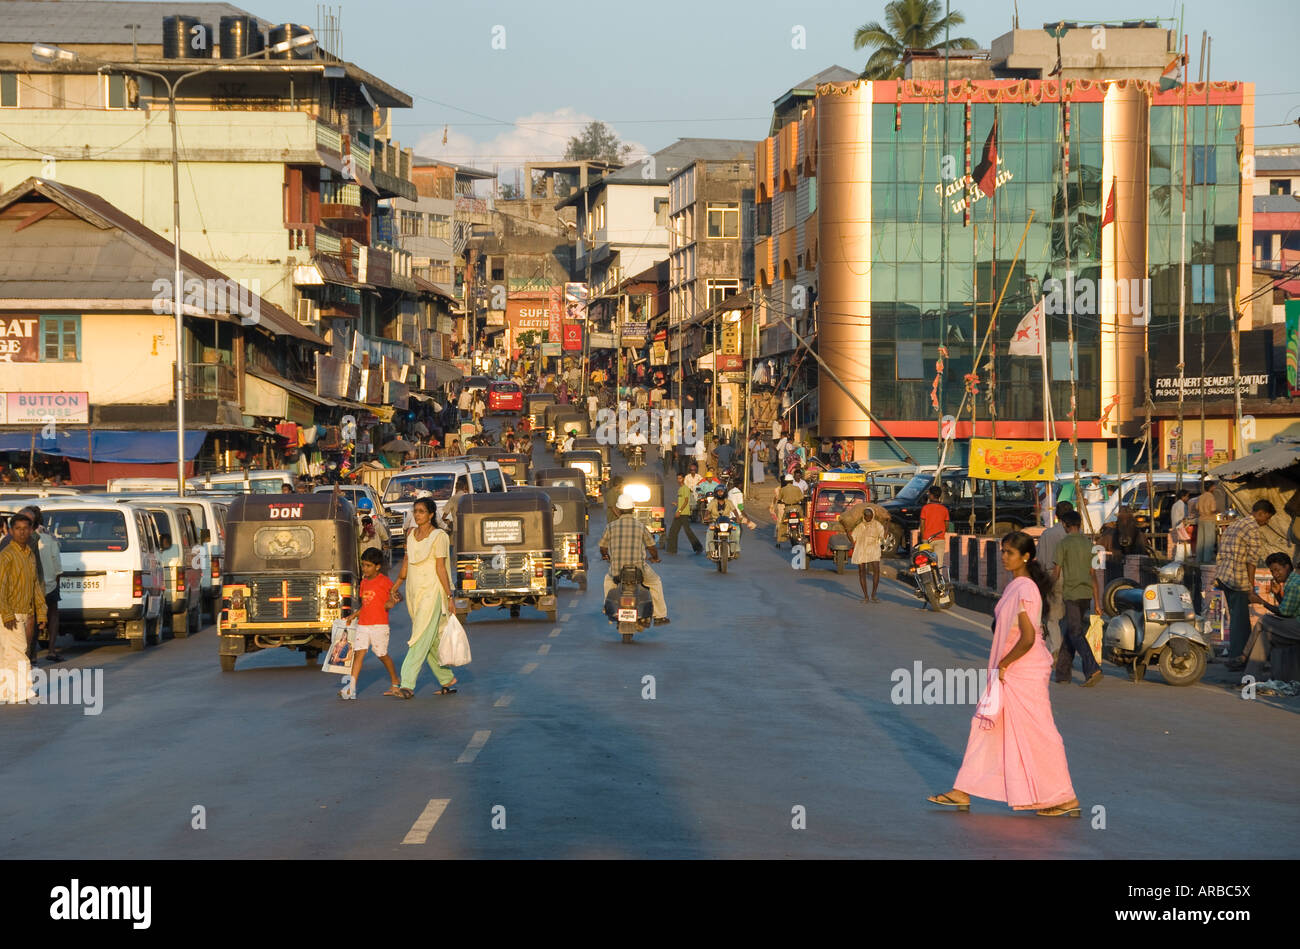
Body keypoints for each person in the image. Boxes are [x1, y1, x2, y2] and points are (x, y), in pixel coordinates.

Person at [928, 531, 1081, 816]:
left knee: (1040, 732)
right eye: (1003, 551)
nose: (1004, 557)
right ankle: (962, 790)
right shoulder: (1018, 586)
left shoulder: (1025, 588)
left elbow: (1027, 638)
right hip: (1012, 669)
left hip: (1021, 669)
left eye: (1010, 552)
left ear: (1026, 556)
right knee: (985, 727)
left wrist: (1004, 664)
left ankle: (1065, 796)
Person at [391, 498, 457, 698]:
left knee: (419, 637)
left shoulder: (439, 536)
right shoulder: (411, 535)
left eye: (421, 511)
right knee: (428, 638)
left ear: (430, 515)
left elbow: (441, 568)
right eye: (415, 511)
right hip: (414, 592)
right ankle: (446, 678)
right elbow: (406, 563)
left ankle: (407, 684)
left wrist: (449, 597)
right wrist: (395, 586)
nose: (417, 514)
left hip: (433, 592)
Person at [1214, 498, 1276, 664]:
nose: (1267, 522)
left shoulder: (1236, 523)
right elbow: (1252, 561)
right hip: (1237, 579)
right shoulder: (1253, 528)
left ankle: (1239, 655)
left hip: (1224, 576)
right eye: (1267, 518)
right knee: (1240, 621)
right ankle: (1238, 658)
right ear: (1260, 513)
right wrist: (1250, 587)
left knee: (1236, 618)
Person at [339, 548, 402, 699]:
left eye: (368, 565)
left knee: (381, 654)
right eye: (363, 565)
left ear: (377, 566)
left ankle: (395, 680)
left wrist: (392, 602)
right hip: (363, 625)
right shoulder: (364, 582)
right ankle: (351, 688)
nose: (365, 569)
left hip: (379, 625)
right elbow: (365, 605)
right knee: (358, 654)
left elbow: (396, 597)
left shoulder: (385, 582)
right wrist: (354, 615)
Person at [1051, 511, 1104, 686]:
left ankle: (1092, 668)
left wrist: (1047, 590)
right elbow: (1093, 575)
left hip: (1072, 595)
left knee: (1075, 632)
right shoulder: (1090, 544)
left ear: (1066, 525)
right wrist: (1097, 602)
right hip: (1086, 594)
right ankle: (1062, 673)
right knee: (1070, 632)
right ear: (1079, 524)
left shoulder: (1063, 544)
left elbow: (1056, 573)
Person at [600, 495, 668, 624]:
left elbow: (603, 547)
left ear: (618, 510)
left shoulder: (611, 526)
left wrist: (605, 556)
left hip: (617, 571)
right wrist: (655, 558)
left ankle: (607, 608)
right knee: (655, 583)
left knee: (608, 581)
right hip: (639, 570)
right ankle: (659, 616)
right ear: (633, 509)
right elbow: (652, 547)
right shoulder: (640, 526)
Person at [0, 512, 46, 704]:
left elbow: (35, 585)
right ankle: (23, 692)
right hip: (8, 612)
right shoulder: (6, 555)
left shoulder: (30, 554)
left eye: (25, 528)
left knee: (8, 653)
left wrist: (41, 612)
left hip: (24, 611)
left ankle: (6, 693)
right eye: (17, 529)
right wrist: (6, 612)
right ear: (10, 531)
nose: (21, 532)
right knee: (19, 652)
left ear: (31, 530)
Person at [1234, 552, 1300, 673]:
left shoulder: (1295, 584)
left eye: (1277, 570)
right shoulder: (1290, 582)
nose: (1275, 574)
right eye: (1272, 571)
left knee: (1263, 620)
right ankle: (1250, 678)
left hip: (1297, 626)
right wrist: (1276, 594)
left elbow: (1284, 613)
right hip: (1293, 626)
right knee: (1264, 636)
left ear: (1287, 567)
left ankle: (1244, 656)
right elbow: (1287, 609)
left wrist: (1261, 602)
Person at [1036, 500, 1075, 657]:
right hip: (1074, 576)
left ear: (1056, 515)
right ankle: (1066, 648)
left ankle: (1056, 648)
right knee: (1068, 614)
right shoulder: (1077, 536)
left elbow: (1040, 561)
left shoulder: (1048, 534)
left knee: (1053, 617)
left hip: (1054, 576)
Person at [852, 506, 885, 603]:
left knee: (876, 570)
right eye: (866, 516)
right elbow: (852, 539)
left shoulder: (878, 525)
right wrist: (846, 531)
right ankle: (866, 596)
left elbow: (882, 536)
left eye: (870, 516)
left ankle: (873, 595)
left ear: (873, 515)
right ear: (864, 516)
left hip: (874, 548)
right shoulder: (859, 526)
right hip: (861, 549)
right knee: (861, 572)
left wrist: (887, 526)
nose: (868, 518)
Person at [666, 472, 703, 555]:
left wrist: (679, 511)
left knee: (687, 531)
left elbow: (686, 501)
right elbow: (682, 500)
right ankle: (671, 550)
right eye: (678, 478)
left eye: (680, 478)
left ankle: (698, 547)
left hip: (683, 513)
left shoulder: (685, 488)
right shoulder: (680, 489)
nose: (679, 480)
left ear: (683, 479)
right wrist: (676, 504)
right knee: (673, 531)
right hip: (680, 512)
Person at [705, 485, 747, 555]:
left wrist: (737, 518)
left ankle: (735, 550)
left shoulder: (729, 502)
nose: (720, 493)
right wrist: (706, 517)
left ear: (725, 493)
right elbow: (708, 511)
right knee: (710, 531)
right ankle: (709, 551)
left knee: (736, 530)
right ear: (716, 493)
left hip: (727, 522)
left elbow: (734, 510)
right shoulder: (713, 502)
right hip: (715, 521)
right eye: (719, 492)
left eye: (722, 492)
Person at [918, 486, 950, 568]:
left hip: (927, 539)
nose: (928, 496)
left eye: (929, 494)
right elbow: (946, 527)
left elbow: (922, 525)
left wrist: (922, 537)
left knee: (925, 564)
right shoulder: (944, 509)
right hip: (940, 539)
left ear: (931, 496)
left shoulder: (925, 508)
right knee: (939, 564)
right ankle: (938, 579)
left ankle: (928, 580)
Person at [772, 474, 805, 544]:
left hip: (787, 508)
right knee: (803, 520)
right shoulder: (797, 488)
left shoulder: (783, 489)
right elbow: (802, 497)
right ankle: (804, 535)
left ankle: (780, 540)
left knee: (783, 524)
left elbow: (779, 499)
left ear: (786, 482)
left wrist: (780, 501)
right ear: (792, 481)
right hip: (797, 508)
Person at [1194, 487, 1218, 564]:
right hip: (1209, 519)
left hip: (1201, 519)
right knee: (1209, 541)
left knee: (1200, 540)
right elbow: (1213, 509)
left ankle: (1199, 559)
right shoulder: (1211, 497)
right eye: (1213, 487)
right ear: (1211, 488)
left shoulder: (1201, 496)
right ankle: (1207, 560)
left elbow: (1196, 507)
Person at [1168, 488, 1191, 561]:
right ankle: (1184, 559)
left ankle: (1179, 559)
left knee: (1178, 546)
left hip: (1175, 527)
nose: (1188, 498)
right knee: (1184, 545)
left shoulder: (1175, 505)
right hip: (1181, 528)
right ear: (1183, 496)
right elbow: (1185, 518)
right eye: (1187, 496)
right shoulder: (1182, 505)